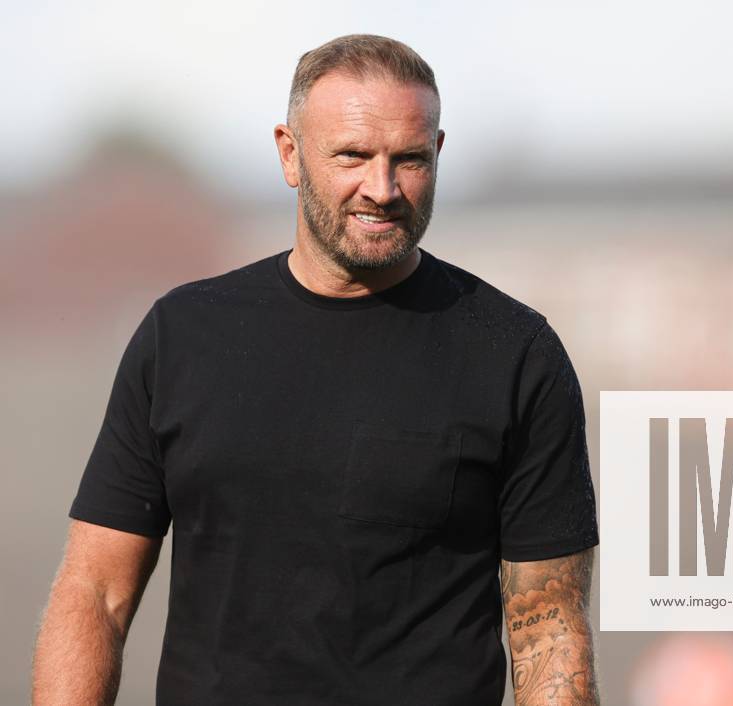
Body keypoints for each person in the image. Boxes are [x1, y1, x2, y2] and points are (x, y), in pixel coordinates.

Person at [31, 34, 600, 706]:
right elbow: (95, 594)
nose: (382, 189)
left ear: (438, 154)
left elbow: (549, 633)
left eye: (409, 160)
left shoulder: (515, 354)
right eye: (353, 156)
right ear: (290, 154)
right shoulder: (181, 336)